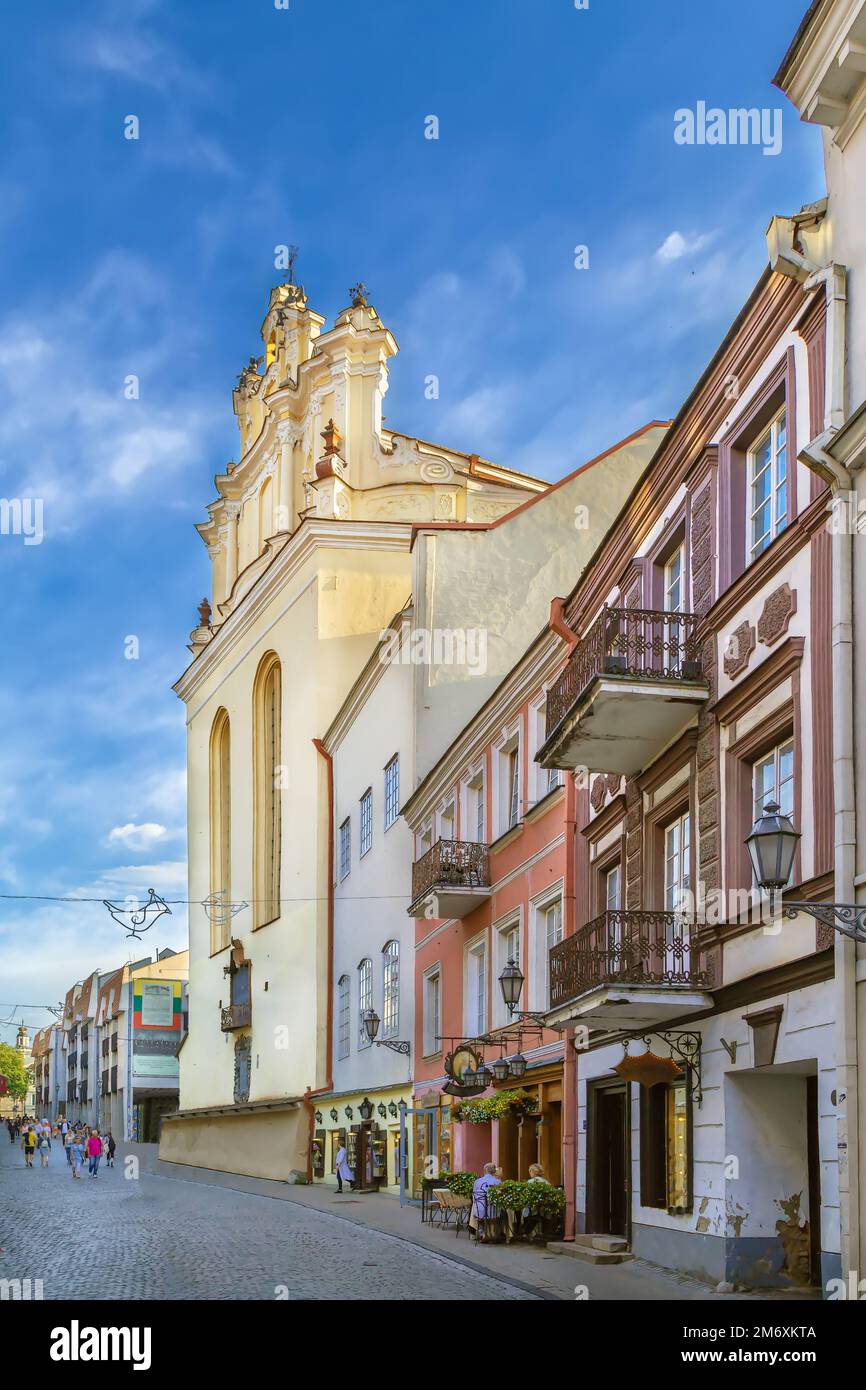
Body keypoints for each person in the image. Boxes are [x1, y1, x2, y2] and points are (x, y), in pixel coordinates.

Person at [470, 1162, 502, 1242]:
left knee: (478, 1217)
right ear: (494, 1172)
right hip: (493, 1212)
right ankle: (495, 1234)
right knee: (502, 1213)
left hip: (480, 1210)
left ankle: (482, 1234)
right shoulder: (498, 1182)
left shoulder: (477, 1181)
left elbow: (474, 1197)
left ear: (485, 1170)